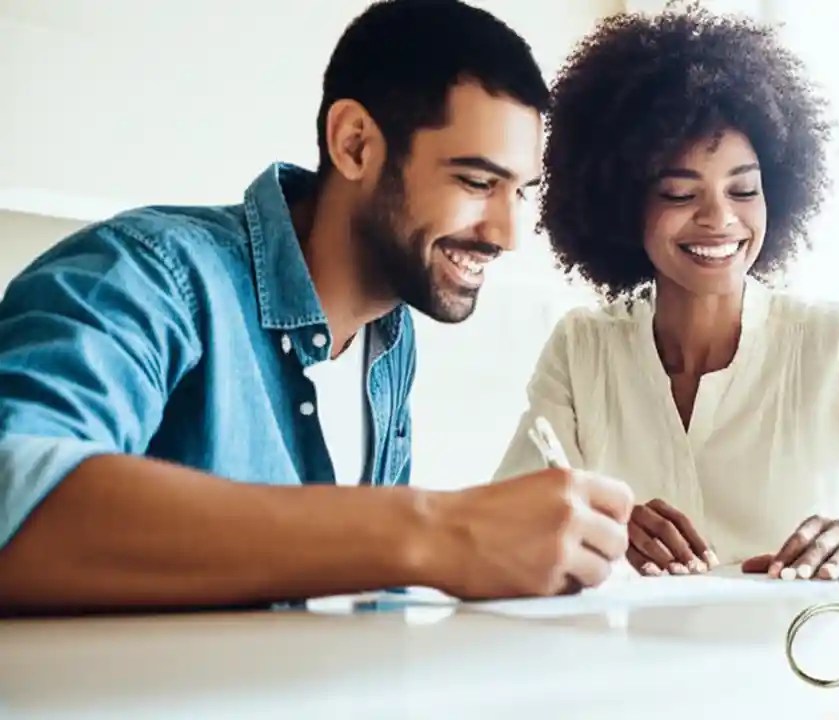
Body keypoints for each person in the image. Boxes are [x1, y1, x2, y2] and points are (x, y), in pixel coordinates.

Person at [0, 0, 633, 614]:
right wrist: (438, 531)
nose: (506, 233)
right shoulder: (153, 272)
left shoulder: (390, 334)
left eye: (521, 192)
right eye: (475, 183)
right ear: (355, 144)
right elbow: (14, 485)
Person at [493, 8, 839, 581]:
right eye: (678, 193)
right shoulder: (581, 349)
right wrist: (599, 530)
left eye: (743, 189)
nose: (720, 219)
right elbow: (502, 528)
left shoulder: (828, 342)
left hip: (801, 657)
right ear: (623, 204)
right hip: (633, 662)